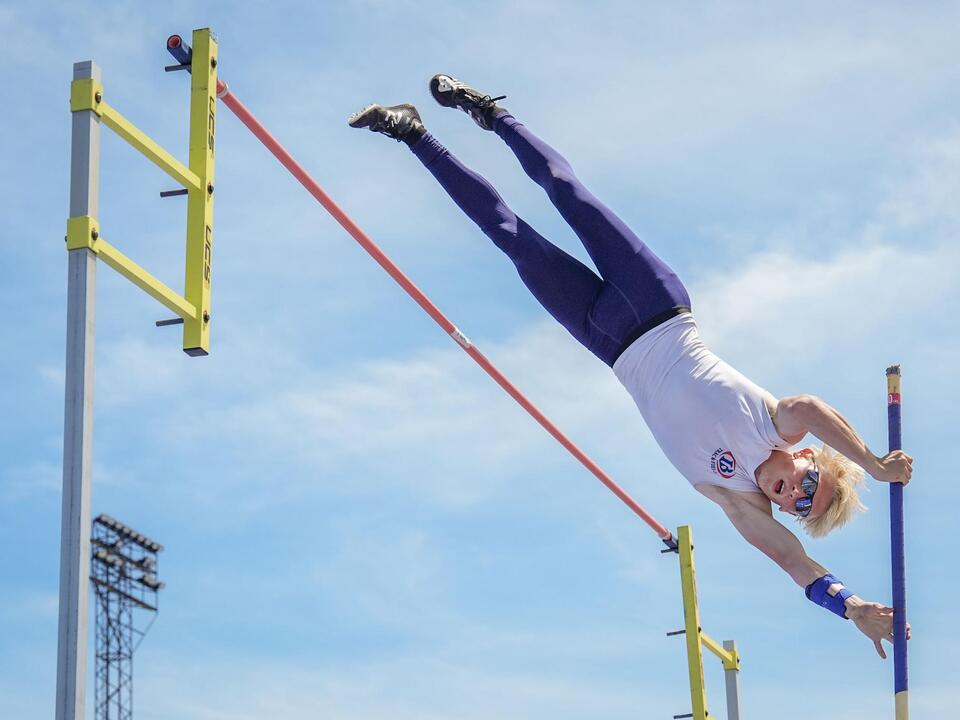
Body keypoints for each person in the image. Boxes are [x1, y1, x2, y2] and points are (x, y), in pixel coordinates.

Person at [348, 75, 913, 657]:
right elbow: (816, 409)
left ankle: (412, 132)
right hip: (655, 302)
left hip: (607, 340)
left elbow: (792, 562)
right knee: (565, 190)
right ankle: (489, 112)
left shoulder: (739, 500)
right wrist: (871, 463)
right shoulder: (779, 424)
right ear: (806, 459)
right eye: (810, 485)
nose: (794, 496)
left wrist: (850, 607)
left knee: (509, 235)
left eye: (800, 507)